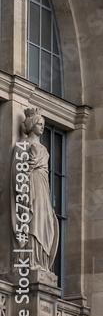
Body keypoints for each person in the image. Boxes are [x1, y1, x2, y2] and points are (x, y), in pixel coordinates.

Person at [12, 108, 59, 271]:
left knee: (45, 222)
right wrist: (23, 190)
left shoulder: (44, 150)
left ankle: (41, 261)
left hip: (43, 189)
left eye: (43, 124)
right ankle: (30, 260)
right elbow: (17, 171)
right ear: (31, 125)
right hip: (31, 186)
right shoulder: (22, 145)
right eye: (39, 123)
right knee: (33, 221)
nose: (42, 127)